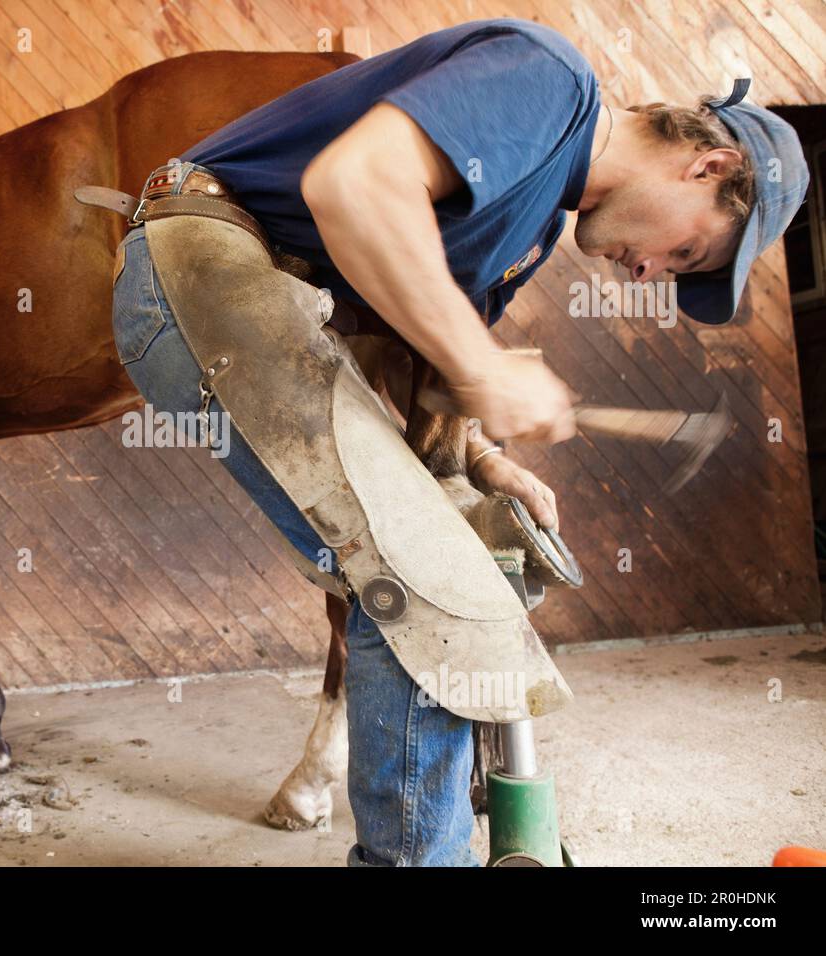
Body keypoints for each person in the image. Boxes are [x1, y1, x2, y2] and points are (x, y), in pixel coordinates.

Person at [108, 18, 808, 866]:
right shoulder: (551, 82)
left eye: (673, 274)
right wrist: (485, 362)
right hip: (205, 263)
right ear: (710, 163)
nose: (649, 274)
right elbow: (353, 185)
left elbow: (430, 368)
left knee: (465, 551)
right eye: (686, 251)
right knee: (416, 584)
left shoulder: (535, 229)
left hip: (275, 307)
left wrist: (485, 460)